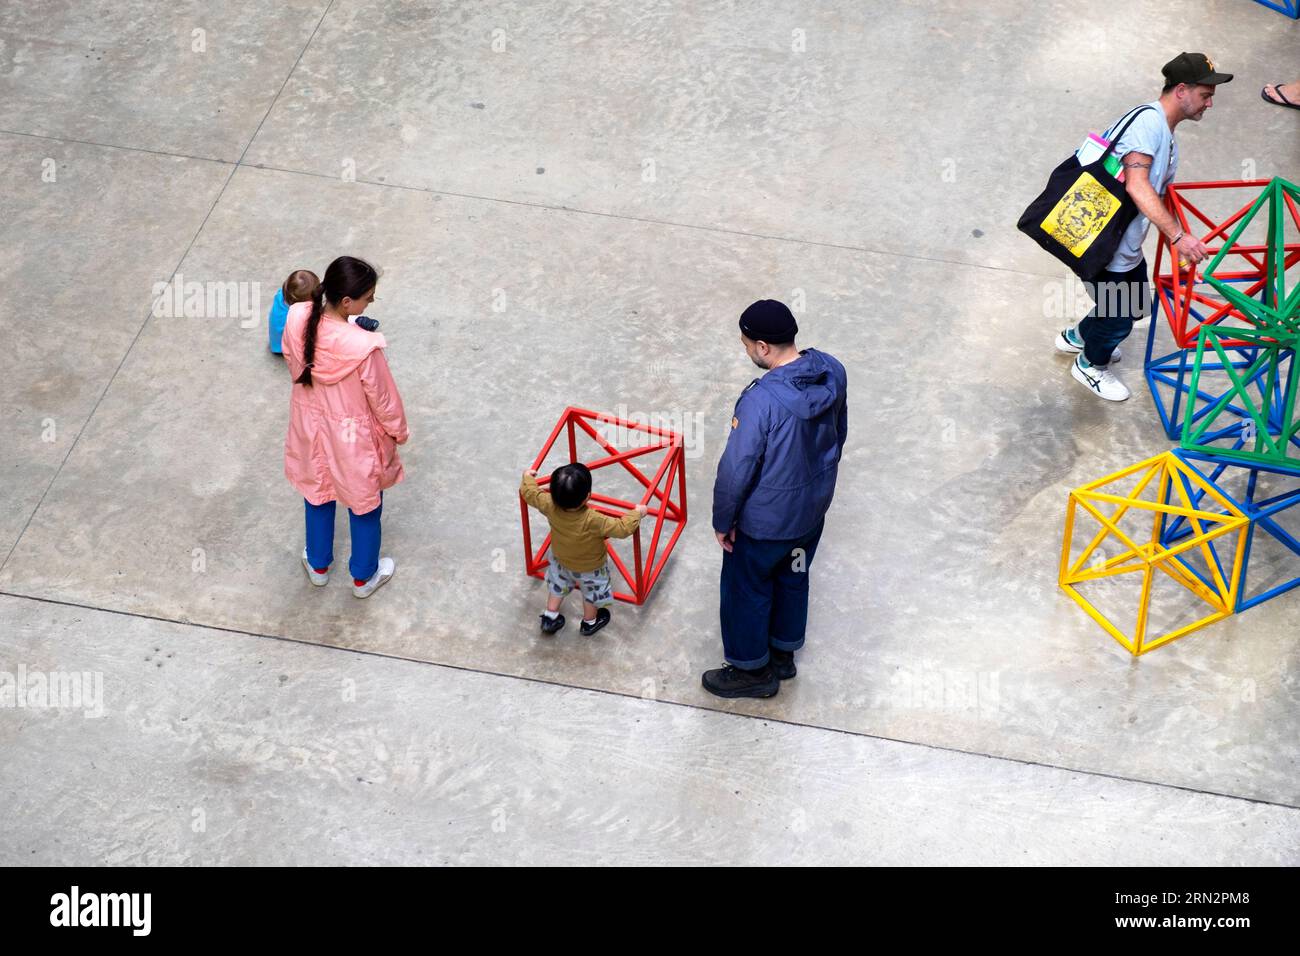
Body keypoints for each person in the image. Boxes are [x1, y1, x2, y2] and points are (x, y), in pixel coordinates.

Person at [1054, 52, 1232, 402]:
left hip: (1117, 242)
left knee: (1129, 304)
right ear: (1182, 90)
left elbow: (1152, 190)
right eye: (1206, 94)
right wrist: (1178, 237)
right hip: (1107, 246)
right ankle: (1090, 365)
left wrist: (1175, 238)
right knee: (1120, 318)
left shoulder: (1156, 125)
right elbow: (1138, 186)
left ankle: (1076, 338)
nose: (1209, 104)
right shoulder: (1148, 128)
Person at [704, 300, 848, 699]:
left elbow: (737, 469)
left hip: (765, 521)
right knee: (793, 574)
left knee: (746, 589)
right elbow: (838, 433)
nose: (746, 349)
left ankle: (752, 671)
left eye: (747, 343)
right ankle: (783, 653)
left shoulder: (761, 401)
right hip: (811, 509)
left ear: (763, 347)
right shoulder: (831, 370)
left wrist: (723, 520)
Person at [282, 256, 408, 598]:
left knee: (317, 490)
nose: (371, 302)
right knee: (365, 503)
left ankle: (318, 565)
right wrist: (399, 431)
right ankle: (364, 575)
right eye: (368, 297)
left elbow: (295, 359)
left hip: (310, 427)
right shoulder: (364, 348)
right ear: (348, 302)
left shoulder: (297, 318)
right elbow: (384, 400)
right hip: (353, 439)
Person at [520, 463, 647, 636]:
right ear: (587, 496)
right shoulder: (593, 519)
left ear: (553, 493)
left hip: (560, 560)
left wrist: (528, 477)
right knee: (591, 595)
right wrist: (637, 513)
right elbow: (622, 528)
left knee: (557, 586)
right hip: (590, 568)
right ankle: (589, 623)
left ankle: (550, 617)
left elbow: (530, 493)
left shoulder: (548, 504)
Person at [268, 269, 378, 355]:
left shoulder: (282, 295)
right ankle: (356, 323)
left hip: (277, 342)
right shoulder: (299, 316)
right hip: (286, 346)